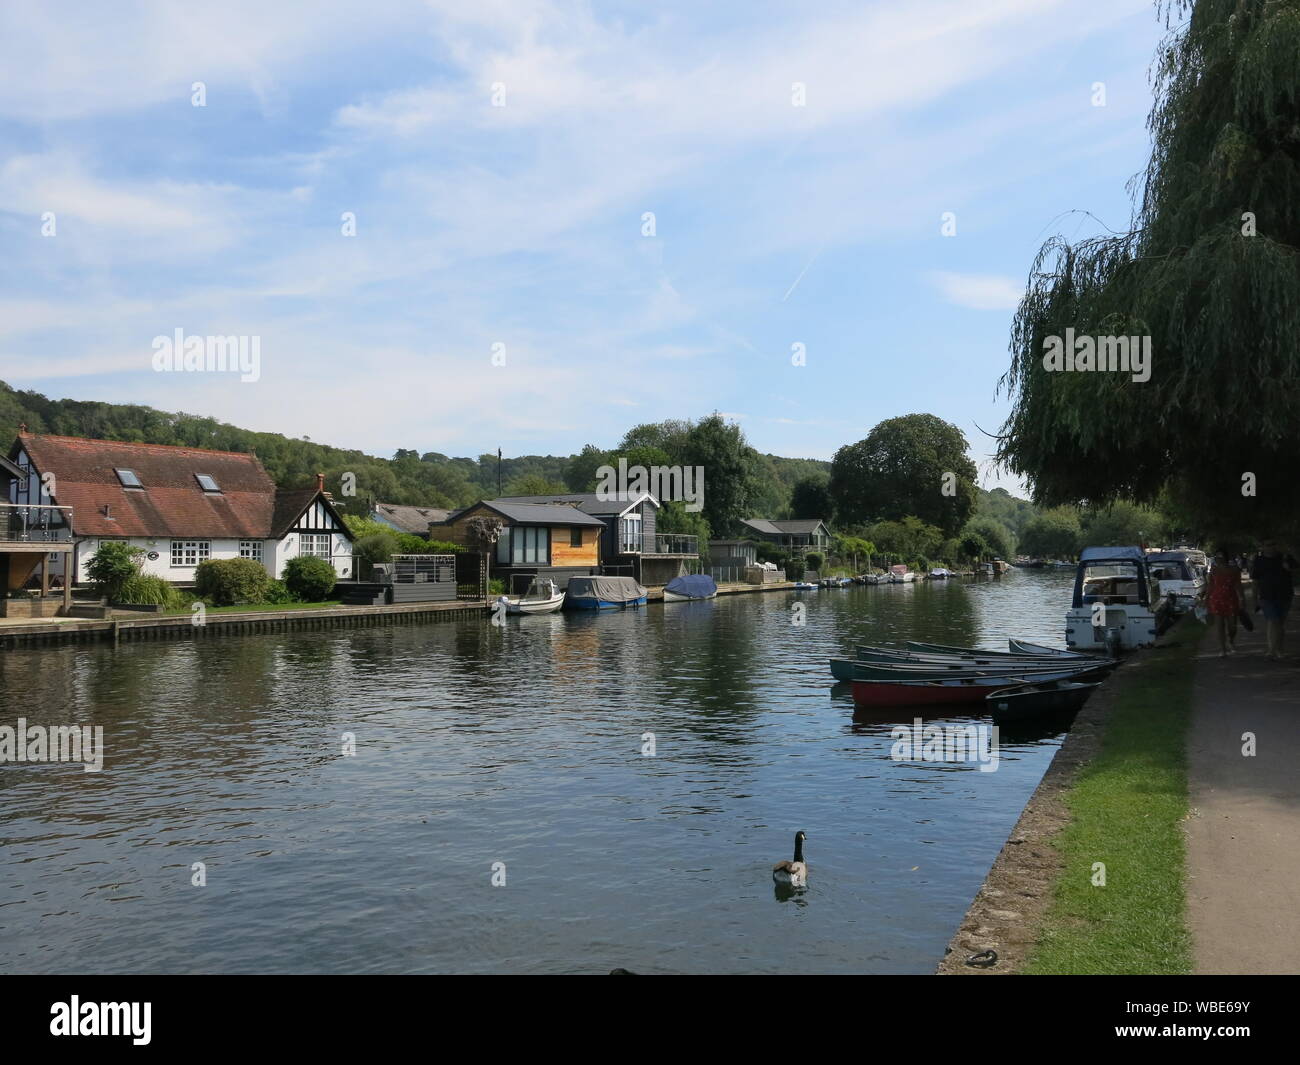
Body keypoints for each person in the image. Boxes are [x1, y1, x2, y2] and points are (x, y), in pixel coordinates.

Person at [1251, 541, 1295, 660]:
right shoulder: (1259, 560)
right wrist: (1254, 599)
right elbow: (1255, 580)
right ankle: (1271, 650)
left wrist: (1287, 564)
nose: (1271, 547)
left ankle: (1279, 649)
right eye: (1268, 545)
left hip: (1285, 595)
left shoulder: (1285, 557)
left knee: (1280, 623)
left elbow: (1294, 569)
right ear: (1263, 547)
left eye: (1274, 544)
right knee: (1273, 621)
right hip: (1267, 596)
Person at [1204, 549, 1243, 657]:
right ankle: (1223, 649)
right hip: (1216, 599)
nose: (1219, 559)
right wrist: (1206, 599)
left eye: (1221, 556)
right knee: (1220, 625)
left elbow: (1238, 585)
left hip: (1231, 598)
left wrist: (1242, 599)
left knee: (1232, 626)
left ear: (1226, 558)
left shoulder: (1234, 570)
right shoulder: (1213, 570)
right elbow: (1210, 585)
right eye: (1217, 557)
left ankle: (1230, 640)